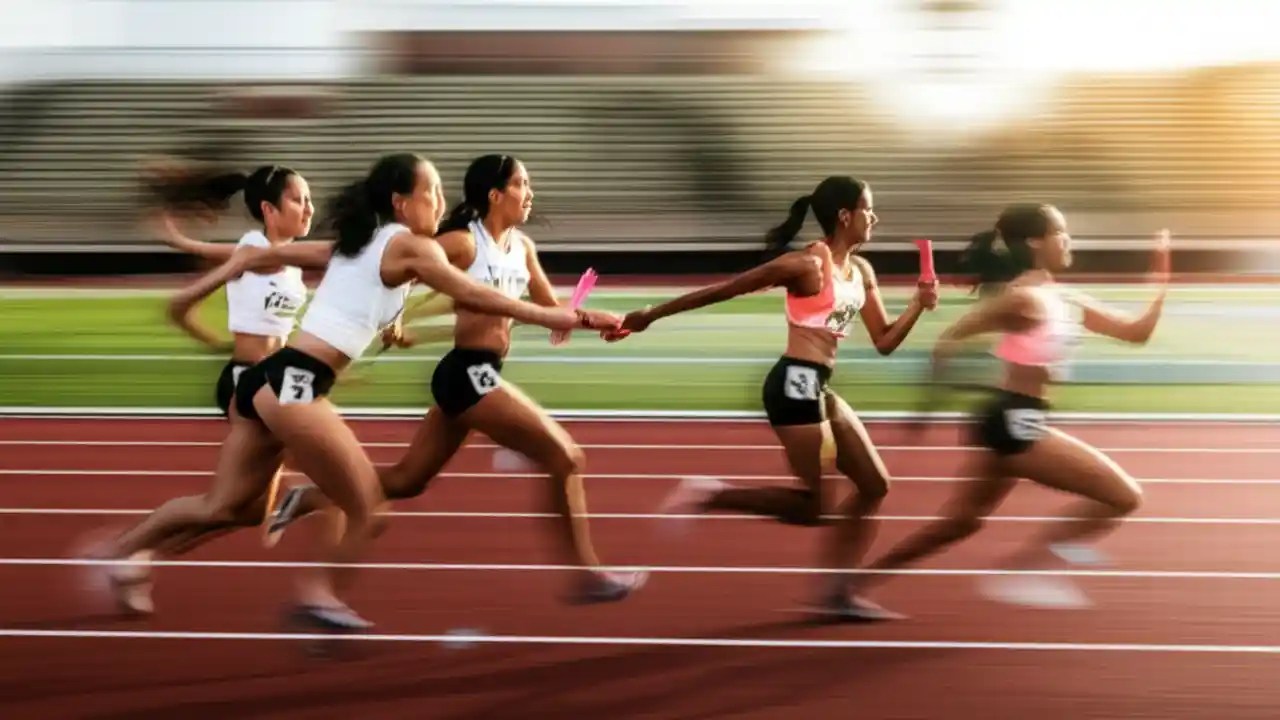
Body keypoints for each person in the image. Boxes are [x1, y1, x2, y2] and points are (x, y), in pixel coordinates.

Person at [97, 152, 612, 629]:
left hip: (270, 383)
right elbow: (477, 294)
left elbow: (283, 261)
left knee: (228, 508)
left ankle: (122, 552)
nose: (439, 201)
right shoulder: (408, 244)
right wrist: (571, 316)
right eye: (430, 191)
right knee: (369, 508)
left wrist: (384, 324)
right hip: (293, 383)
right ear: (400, 203)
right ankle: (318, 597)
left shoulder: (364, 242)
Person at [267, 154, 647, 603]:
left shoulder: (523, 248)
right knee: (565, 457)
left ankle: (310, 499)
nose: (530, 194)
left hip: (476, 376)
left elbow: (549, 308)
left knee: (408, 481)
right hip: (468, 374)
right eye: (522, 185)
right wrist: (398, 320)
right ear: (495, 194)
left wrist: (575, 320)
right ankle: (587, 575)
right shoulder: (464, 243)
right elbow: (401, 268)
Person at [607, 175, 938, 619]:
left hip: (819, 385)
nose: (874, 217)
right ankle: (712, 495)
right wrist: (648, 315)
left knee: (874, 485)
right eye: (868, 209)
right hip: (792, 386)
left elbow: (885, 341)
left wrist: (918, 305)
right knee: (817, 508)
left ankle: (837, 593)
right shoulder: (807, 265)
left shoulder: (861, 272)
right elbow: (725, 289)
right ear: (845, 216)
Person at [850, 204, 1169, 614]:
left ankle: (852, 585)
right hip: (1014, 422)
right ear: (1036, 242)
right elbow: (947, 342)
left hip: (1012, 420)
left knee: (960, 523)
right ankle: (1029, 570)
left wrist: (1160, 282)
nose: (1068, 240)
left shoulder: (1065, 299)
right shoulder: (1021, 299)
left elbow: (1136, 333)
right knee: (1123, 496)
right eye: (1061, 233)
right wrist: (929, 409)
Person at [88, 163, 333, 615]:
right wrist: (217, 341)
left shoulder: (270, 251)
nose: (309, 208)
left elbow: (221, 252)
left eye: (309, 199)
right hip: (250, 384)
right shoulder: (260, 247)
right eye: (298, 199)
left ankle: (136, 554)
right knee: (222, 505)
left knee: (250, 512)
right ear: (268, 208)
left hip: (276, 383)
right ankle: (124, 551)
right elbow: (196, 293)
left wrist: (182, 240)